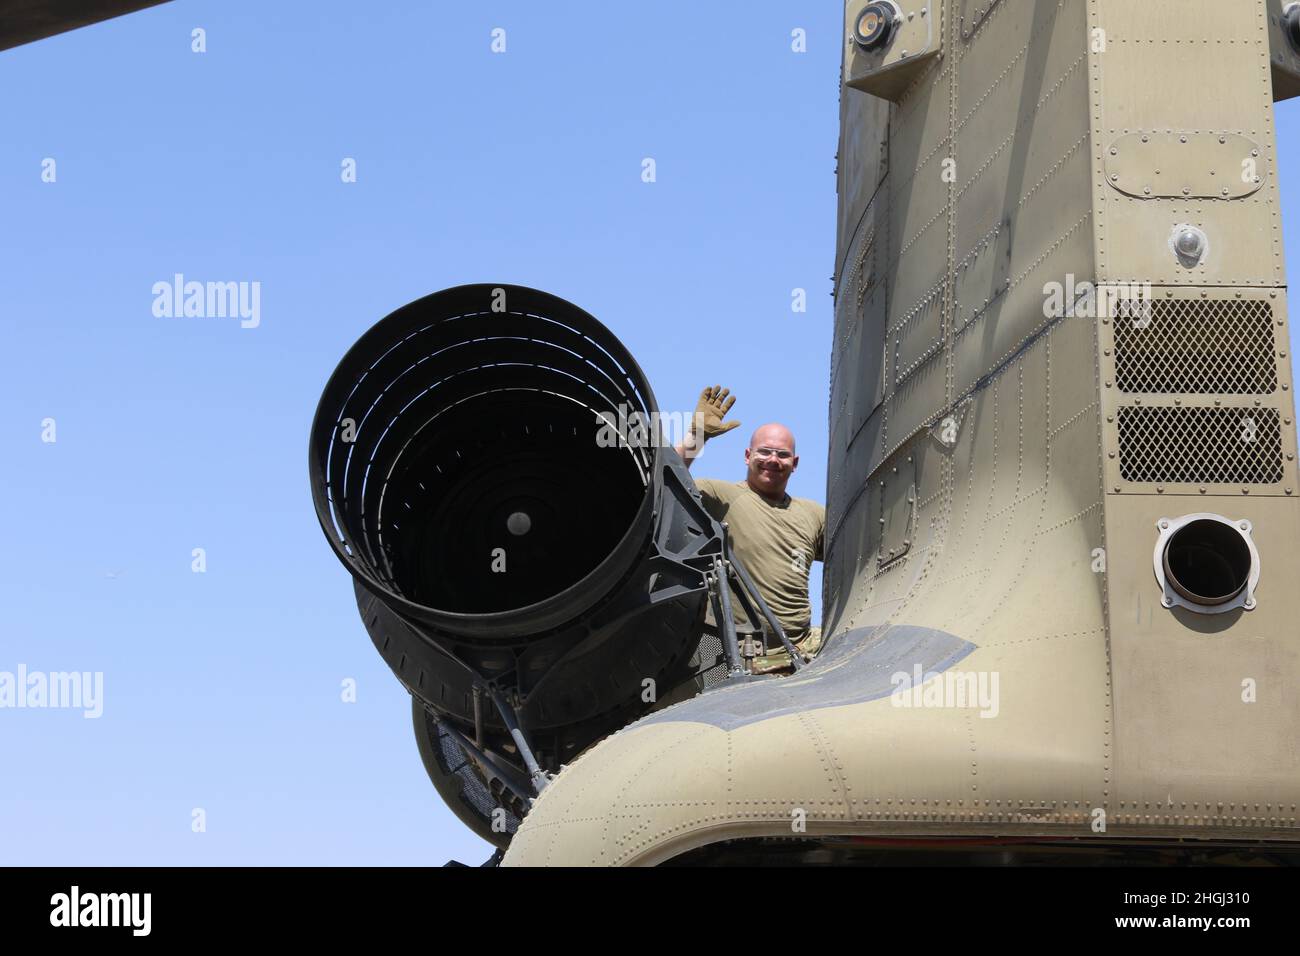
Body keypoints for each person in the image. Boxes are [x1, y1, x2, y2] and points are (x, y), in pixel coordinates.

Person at [673, 386, 825, 675]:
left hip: (792, 656)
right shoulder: (721, 496)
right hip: (722, 653)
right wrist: (697, 436)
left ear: (795, 464)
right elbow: (668, 479)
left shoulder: (813, 514)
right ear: (747, 455)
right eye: (764, 451)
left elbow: (857, 548)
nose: (772, 460)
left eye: (782, 454)